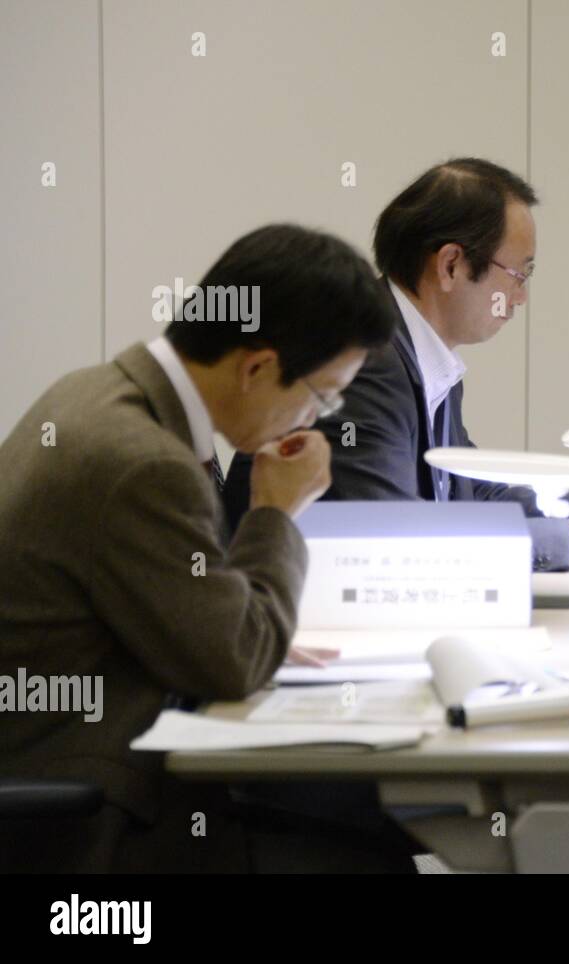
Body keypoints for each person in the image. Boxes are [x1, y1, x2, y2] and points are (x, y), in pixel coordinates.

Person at [0, 224, 416, 871]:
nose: (317, 419)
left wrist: (239, 618)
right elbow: (234, 661)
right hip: (92, 813)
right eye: (323, 395)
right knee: (364, 837)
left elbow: (198, 609)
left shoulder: (98, 395)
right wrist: (277, 511)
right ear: (258, 366)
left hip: (81, 750)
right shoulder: (143, 462)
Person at [222, 158, 569, 568]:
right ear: (452, 265)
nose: (521, 297)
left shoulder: (419, 352)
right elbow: (397, 538)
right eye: (520, 274)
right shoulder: (364, 360)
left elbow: (469, 487)